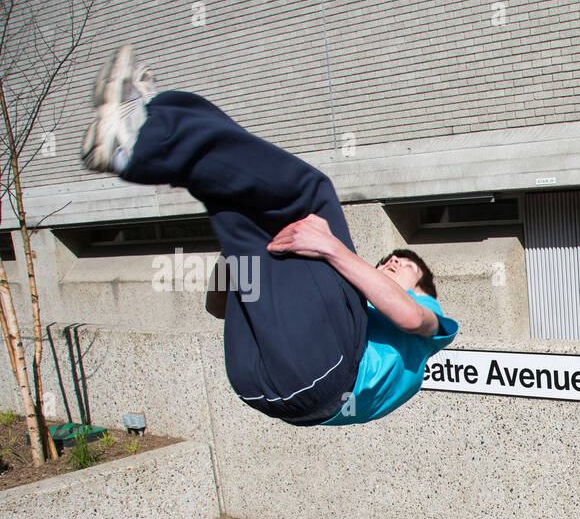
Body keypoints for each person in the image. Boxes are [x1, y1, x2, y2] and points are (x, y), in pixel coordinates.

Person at [80, 44, 458, 426]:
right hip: (256, 381)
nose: (391, 261)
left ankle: (149, 135)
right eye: (386, 260)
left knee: (311, 195)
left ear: (424, 287)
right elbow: (220, 307)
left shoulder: (431, 319)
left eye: (405, 264)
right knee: (243, 207)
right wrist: (236, 249)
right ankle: (145, 124)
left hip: (329, 379)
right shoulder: (342, 309)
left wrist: (332, 249)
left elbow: (412, 319)